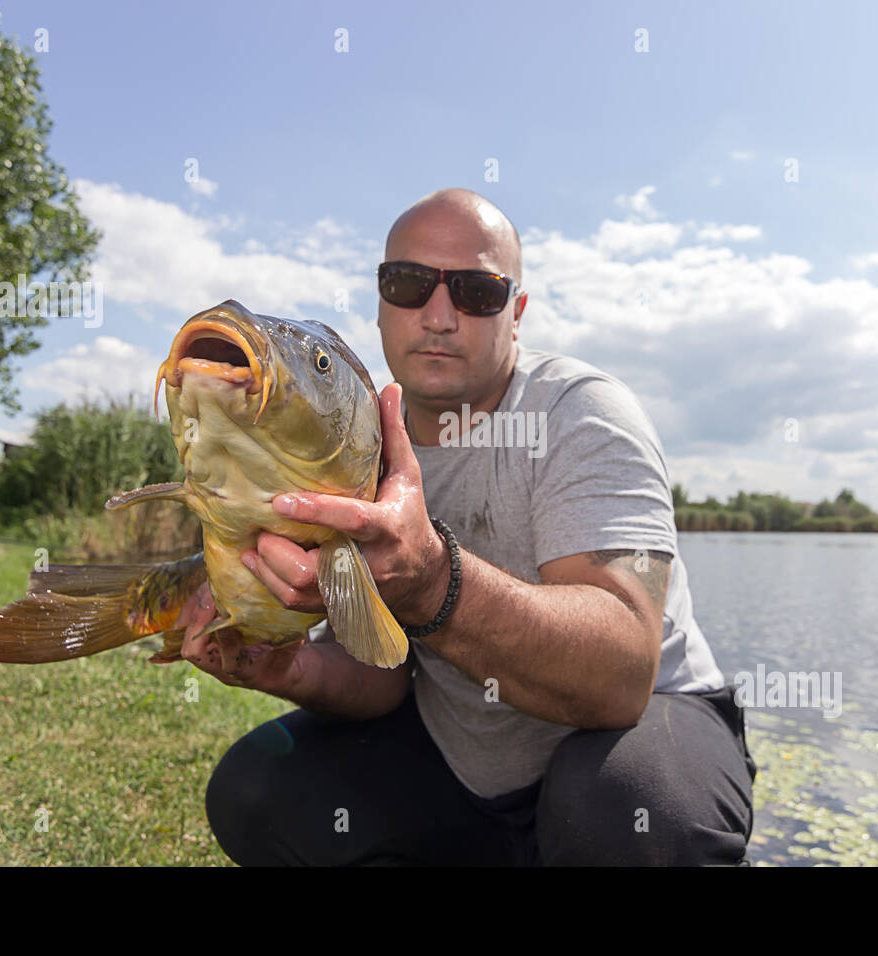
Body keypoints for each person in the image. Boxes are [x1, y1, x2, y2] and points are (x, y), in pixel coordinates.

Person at [176, 187, 756, 865]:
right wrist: (290, 666)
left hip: (647, 726)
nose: (440, 315)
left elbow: (622, 676)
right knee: (257, 790)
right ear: (381, 301)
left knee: (622, 806)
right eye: (409, 284)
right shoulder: (354, 447)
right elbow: (385, 675)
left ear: (518, 313)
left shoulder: (581, 413)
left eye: (478, 291)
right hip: (466, 758)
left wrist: (430, 582)